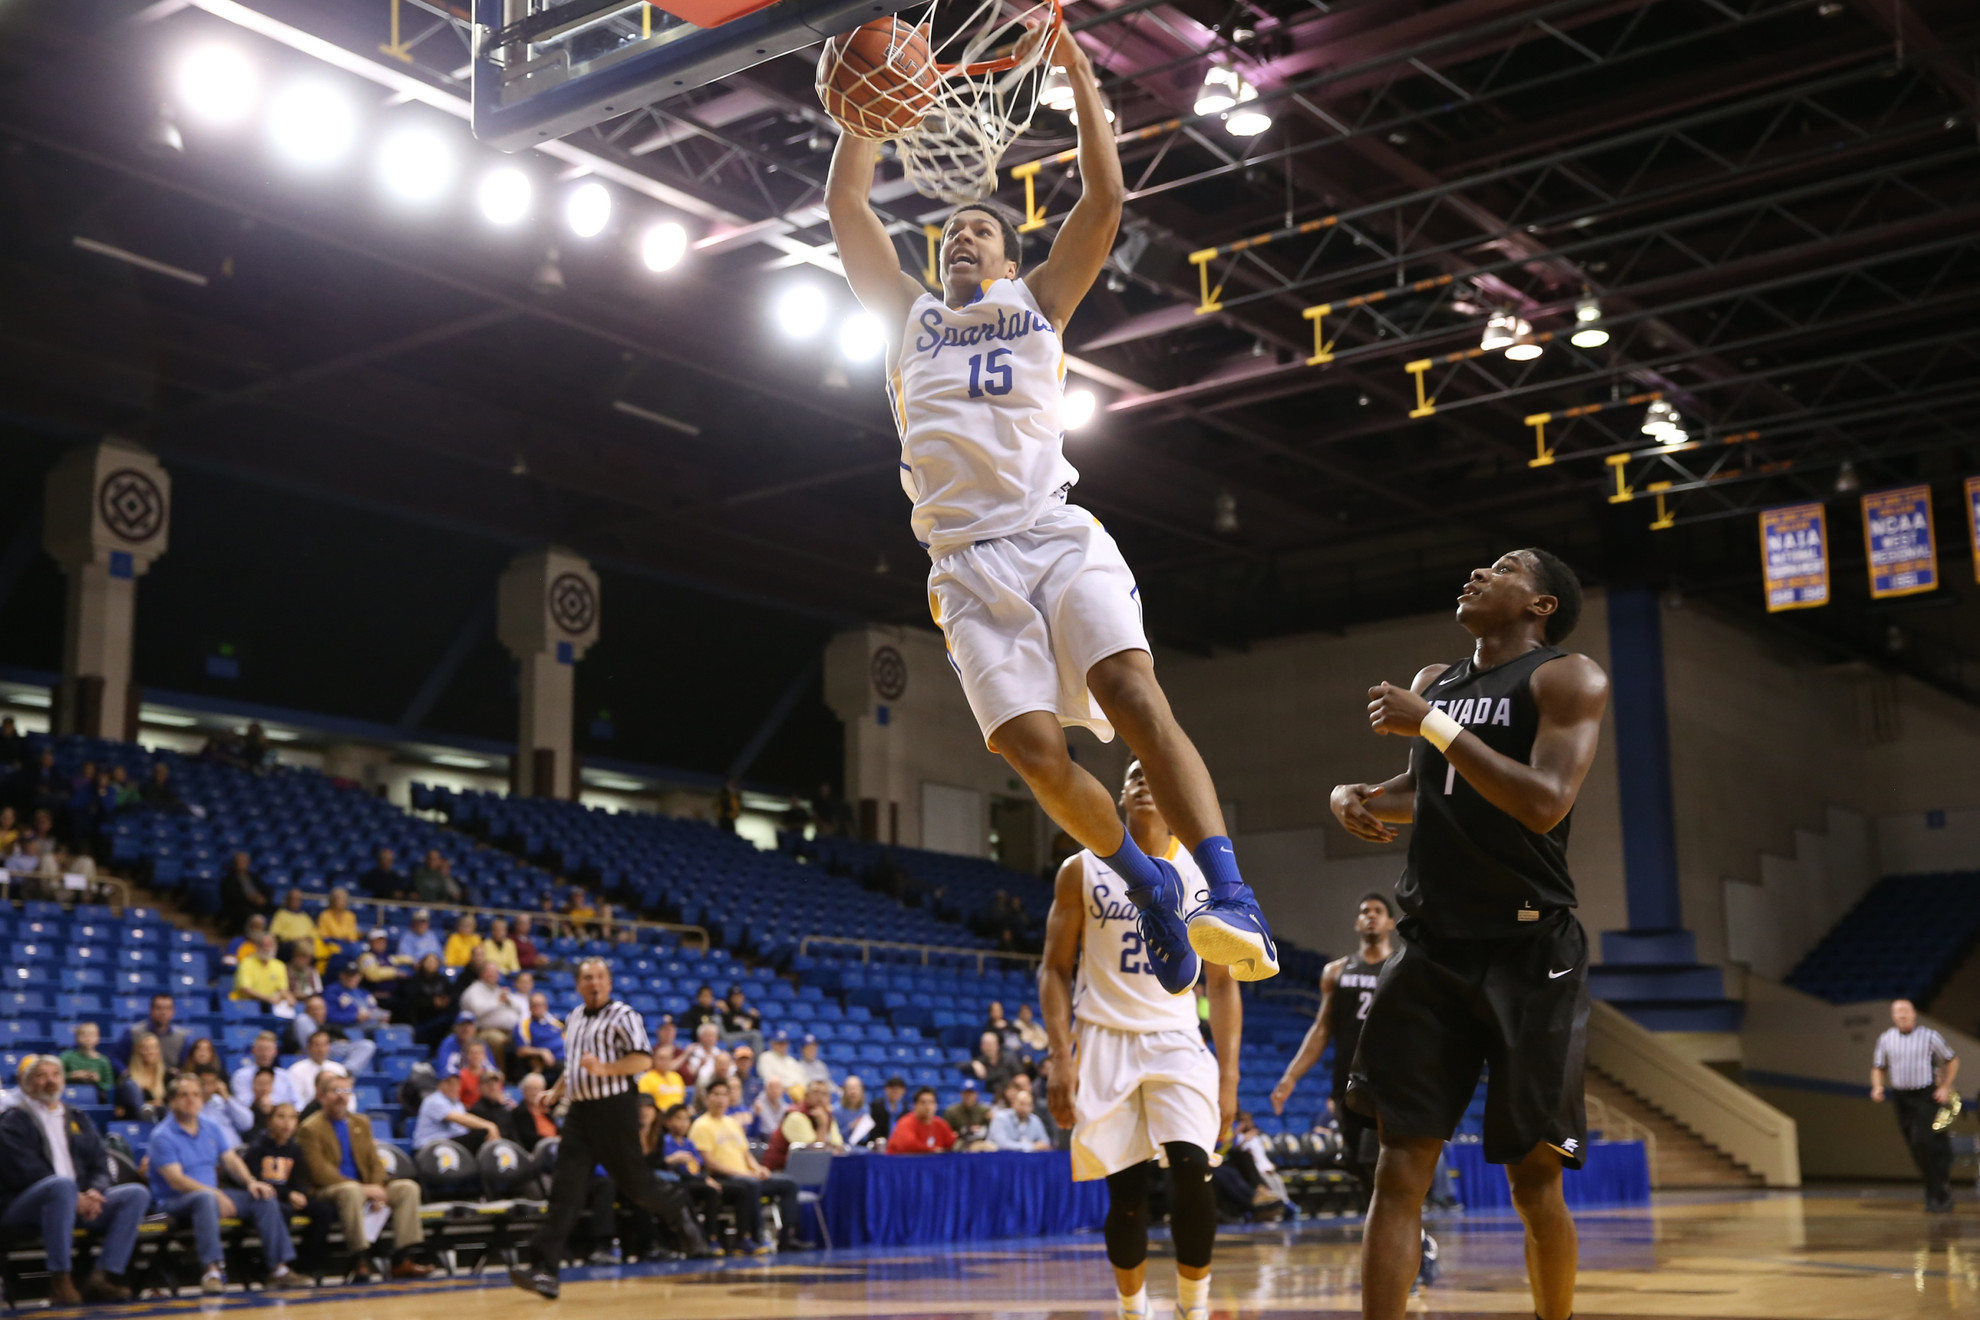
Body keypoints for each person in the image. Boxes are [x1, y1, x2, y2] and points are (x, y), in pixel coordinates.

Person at [824, 36, 1275, 991]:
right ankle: (1148, 882)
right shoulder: (907, 318)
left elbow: (1103, 202)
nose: (960, 235)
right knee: (1031, 753)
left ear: (1008, 256)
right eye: (953, 229)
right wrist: (865, 111)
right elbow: (848, 206)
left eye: (981, 231)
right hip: (964, 562)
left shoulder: (1037, 306)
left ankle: (1230, 893)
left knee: (1133, 694)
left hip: (1055, 535)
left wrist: (1078, 83)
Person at [1329, 549, 1608, 1320]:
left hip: (1530, 951)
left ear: (1541, 605)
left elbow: (1545, 801)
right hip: (1431, 948)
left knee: (1534, 1176)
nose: (1480, 573)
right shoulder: (1435, 683)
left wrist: (1436, 727)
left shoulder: (1567, 677)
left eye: (1506, 568)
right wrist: (1354, 795)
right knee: (1399, 1167)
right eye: (1482, 565)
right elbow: (1427, 792)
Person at [1041, 758, 1242, 1320]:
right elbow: (1054, 969)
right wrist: (1061, 1056)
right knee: (1126, 1197)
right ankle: (1134, 1311)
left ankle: (1193, 1310)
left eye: (1156, 774)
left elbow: (1223, 986)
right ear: (1120, 794)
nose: (1145, 782)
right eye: (1134, 775)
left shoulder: (1205, 876)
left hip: (1177, 1037)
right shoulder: (1081, 868)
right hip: (1104, 1037)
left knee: (1192, 1171)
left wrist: (1229, 1076)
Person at [510, 958, 712, 1300]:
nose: (594, 983)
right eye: (588, 977)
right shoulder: (573, 1017)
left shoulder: (624, 1015)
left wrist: (605, 1069)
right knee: (566, 1191)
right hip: (579, 1114)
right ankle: (544, 1270)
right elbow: (574, 1066)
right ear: (578, 984)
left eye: (601, 977)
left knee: (637, 1185)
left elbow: (642, 1060)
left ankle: (677, 1208)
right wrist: (556, 1091)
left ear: (609, 982)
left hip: (615, 1111)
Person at [1272, 893, 1398, 1186]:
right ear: (1357, 922)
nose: (1371, 916)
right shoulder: (1337, 971)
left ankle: (1397, 1232)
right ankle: (1386, 1231)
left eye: (1379, 911)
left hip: (1388, 1082)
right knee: (1357, 1164)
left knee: (1380, 1163)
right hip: (1347, 1081)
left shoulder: (1401, 968)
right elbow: (1321, 1028)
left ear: (1391, 922)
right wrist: (1290, 1077)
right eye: (1365, 911)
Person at [0, 1055, 149, 1302]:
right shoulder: (14, 1119)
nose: (50, 1081)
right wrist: (73, 1196)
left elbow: (99, 1163)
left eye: (55, 1075)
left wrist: (94, 1192)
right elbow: (22, 1171)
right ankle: (60, 1281)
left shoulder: (76, 1116)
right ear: (25, 1084)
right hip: (25, 1205)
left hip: (77, 1201)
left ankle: (103, 1276)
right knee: (62, 1186)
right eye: (41, 1075)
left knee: (135, 1194)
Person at [148, 1076, 302, 1293]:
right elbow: (176, 1180)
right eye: (184, 1095)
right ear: (172, 1101)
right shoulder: (162, 1135)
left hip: (211, 1196)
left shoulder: (211, 1127)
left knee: (263, 1195)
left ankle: (279, 1270)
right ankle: (211, 1271)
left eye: (195, 1095)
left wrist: (251, 1182)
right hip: (173, 1202)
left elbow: (230, 1159)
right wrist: (215, 1194)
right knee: (206, 1198)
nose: (191, 1100)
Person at [297, 1076, 434, 1279]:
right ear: (323, 1096)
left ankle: (402, 1259)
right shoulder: (310, 1128)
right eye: (336, 1091)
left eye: (345, 1092)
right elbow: (319, 1172)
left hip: (365, 1187)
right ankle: (360, 1259)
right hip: (328, 1190)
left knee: (408, 1188)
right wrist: (364, 1189)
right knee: (351, 1191)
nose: (341, 1098)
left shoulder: (361, 1122)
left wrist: (376, 1188)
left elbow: (374, 1162)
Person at [689, 1078, 808, 1251]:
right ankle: (754, 1237)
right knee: (750, 1185)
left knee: (788, 1184)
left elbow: (746, 1154)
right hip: (722, 1178)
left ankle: (787, 1238)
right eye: (716, 1094)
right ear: (707, 1098)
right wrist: (746, 1174)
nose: (721, 1099)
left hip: (746, 1176)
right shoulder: (701, 1125)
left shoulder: (732, 1123)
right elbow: (710, 1164)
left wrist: (759, 1169)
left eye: (724, 1094)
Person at [1871, 998, 1960, 1212]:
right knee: (1914, 1145)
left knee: (1922, 1140)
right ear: (1893, 1016)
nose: (1902, 1015)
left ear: (1914, 1014)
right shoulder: (1886, 1039)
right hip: (1901, 1097)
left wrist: (1945, 1086)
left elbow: (1952, 1059)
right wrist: (1877, 1087)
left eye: (1905, 1011)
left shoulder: (1929, 1036)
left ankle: (1938, 1190)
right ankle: (1935, 1188)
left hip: (1925, 1095)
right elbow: (1879, 1066)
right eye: (1898, 1011)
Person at [242, 1101, 336, 1272]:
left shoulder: (295, 1148)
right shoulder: (257, 1148)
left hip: (289, 1196)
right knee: (283, 1210)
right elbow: (254, 1181)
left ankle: (306, 1264)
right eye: (281, 1117)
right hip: (266, 1199)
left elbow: (299, 1179)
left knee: (324, 1211)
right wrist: (288, 1194)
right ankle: (275, 1265)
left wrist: (298, 1193)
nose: (287, 1123)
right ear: (269, 1121)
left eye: (292, 1117)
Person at [412, 1071, 498, 1152]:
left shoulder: (456, 1103)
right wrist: (488, 1125)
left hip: (449, 1143)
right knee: (482, 1133)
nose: (454, 1087)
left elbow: (464, 1122)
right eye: (449, 1083)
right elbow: (460, 1119)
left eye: (457, 1083)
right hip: (429, 1147)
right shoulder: (434, 1100)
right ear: (440, 1084)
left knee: (484, 1134)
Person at [111, 993, 187, 1071]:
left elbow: (185, 1065)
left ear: (173, 1012)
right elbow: (116, 1059)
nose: (163, 1012)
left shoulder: (181, 1037)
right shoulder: (134, 1033)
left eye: (167, 1008)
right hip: (138, 1079)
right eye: (159, 1008)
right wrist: (125, 1074)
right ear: (151, 1010)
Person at [232, 1032, 303, 1111]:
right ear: (253, 1050)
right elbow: (241, 1103)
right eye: (261, 1049)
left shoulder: (284, 1075)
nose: (265, 1054)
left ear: (275, 1052)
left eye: (268, 1050)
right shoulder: (241, 1076)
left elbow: (298, 1103)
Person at [116, 1031, 171, 1121]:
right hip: (135, 1121)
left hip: (161, 1119)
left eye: (153, 1048)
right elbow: (120, 1111)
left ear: (158, 1051)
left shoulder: (167, 1076)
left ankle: (147, 1112)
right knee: (130, 1085)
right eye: (146, 1048)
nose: (150, 1052)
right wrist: (152, 1105)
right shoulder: (128, 1078)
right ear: (138, 1051)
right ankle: (145, 1112)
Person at [884, 1086, 956, 1155]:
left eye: (931, 1102)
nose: (927, 1107)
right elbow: (908, 1145)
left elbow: (952, 1143)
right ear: (915, 1105)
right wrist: (933, 1150)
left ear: (936, 1105)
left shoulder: (940, 1124)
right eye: (923, 1102)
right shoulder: (905, 1122)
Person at [513, 992, 567, 1080]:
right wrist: (541, 1051)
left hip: (569, 1056)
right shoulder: (524, 1024)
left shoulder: (554, 1023)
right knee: (573, 1069)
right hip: (550, 1061)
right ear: (529, 1007)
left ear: (546, 1007)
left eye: (541, 1004)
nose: (537, 1007)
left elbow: (567, 1040)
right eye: (534, 1004)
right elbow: (521, 1051)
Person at [232, 932, 293, 1007]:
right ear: (256, 946)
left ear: (275, 947)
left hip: (272, 1006)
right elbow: (244, 989)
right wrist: (268, 998)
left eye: (269, 945)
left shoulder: (279, 965)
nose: (266, 948)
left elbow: (282, 989)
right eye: (262, 945)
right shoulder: (246, 963)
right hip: (247, 1005)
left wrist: (289, 996)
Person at [219, 852, 273, 935]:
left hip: (258, 903)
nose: (242, 863)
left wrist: (263, 898)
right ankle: (251, 935)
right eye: (240, 861)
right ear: (234, 863)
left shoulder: (254, 877)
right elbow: (231, 896)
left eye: (245, 861)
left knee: (275, 909)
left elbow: (267, 889)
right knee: (247, 912)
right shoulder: (228, 879)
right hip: (241, 906)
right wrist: (250, 899)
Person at [989, 1085, 1052, 1152]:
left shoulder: (1035, 1120)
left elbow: (1045, 1143)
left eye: (1028, 1105)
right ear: (1013, 1104)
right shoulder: (1000, 1118)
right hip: (999, 1158)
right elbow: (1001, 1144)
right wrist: (1032, 1146)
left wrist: (1039, 1146)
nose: (1025, 1108)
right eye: (1021, 1104)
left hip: (1027, 1159)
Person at [61, 1022, 115, 1100]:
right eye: (83, 1035)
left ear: (98, 1038)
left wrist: (98, 1081)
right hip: (71, 1094)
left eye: (92, 1035)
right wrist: (73, 1075)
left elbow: (109, 1086)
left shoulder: (103, 1061)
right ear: (76, 1038)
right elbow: (57, 1076)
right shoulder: (67, 1057)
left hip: (97, 1095)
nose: (87, 1038)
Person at [944, 1081, 993, 1150]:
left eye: (971, 1094)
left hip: (979, 1141)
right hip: (960, 1141)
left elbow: (990, 1130)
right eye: (966, 1094)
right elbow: (947, 1133)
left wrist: (982, 1128)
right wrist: (965, 1131)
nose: (968, 1097)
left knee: (991, 1147)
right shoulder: (951, 1111)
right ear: (961, 1094)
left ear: (976, 1094)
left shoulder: (984, 1110)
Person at [758, 1030, 807, 1094]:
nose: (782, 1046)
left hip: (797, 1090)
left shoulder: (791, 1060)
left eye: (784, 1043)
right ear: (772, 1043)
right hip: (779, 1092)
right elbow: (767, 1078)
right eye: (779, 1043)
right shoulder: (766, 1057)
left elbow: (802, 1078)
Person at [869, 1075, 909, 1144]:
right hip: (880, 1144)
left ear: (903, 1091)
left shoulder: (906, 1110)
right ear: (886, 1089)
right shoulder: (876, 1107)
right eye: (892, 1089)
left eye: (898, 1089)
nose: (895, 1091)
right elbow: (873, 1129)